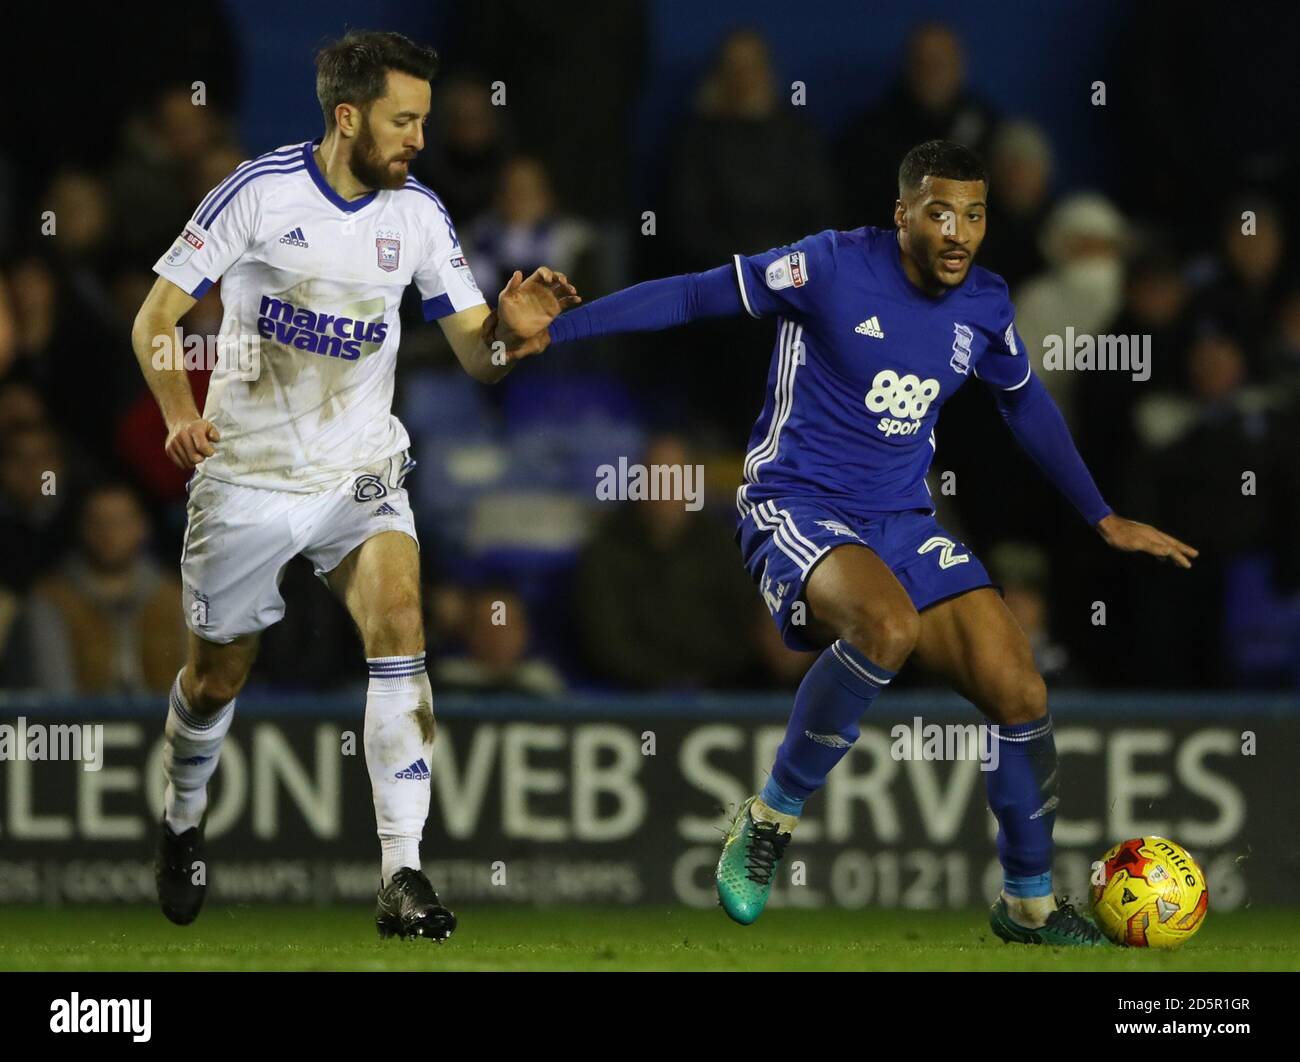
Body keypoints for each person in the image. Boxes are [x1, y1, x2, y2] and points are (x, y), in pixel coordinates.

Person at [536, 139, 1197, 945]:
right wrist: (561, 327)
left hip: (902, 521)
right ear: (904, 214)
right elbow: (691, 296)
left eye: (976, 215)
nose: (959, 231)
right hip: (798, 503)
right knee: (885, 627)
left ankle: (1027, 905)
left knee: (1019, 689)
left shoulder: (985, 304)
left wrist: (1101, 515)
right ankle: (770, 817)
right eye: (941, 213)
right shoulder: (830, 267)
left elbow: (1024, 405)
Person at [130, 31, 578, 942]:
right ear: (348, 116)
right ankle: (181, 818)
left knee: (401, 621)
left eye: (421, 119)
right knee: (215, 681)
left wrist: (511, 337)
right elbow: (156, 319)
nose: (418, 137)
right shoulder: (258, 194)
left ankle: (401, 872)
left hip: (359, 471)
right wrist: (181, 412)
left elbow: (475, 352)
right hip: (249, 476)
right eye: (401, 120)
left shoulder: (417, 216)